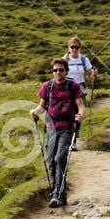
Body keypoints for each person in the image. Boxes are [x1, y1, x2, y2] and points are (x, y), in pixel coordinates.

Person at [32, 58, 86, 208]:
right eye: (55, 70)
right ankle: (55, 192)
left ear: (66, 71)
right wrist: (35, 112)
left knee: (60, 157)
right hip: (50, 128)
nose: (58, 73)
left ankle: (60, 195)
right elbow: (41, 107)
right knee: (51, 161)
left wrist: (80, 115)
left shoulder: (73, 86)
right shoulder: (47, 86)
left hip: (67, 128)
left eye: (61, 70)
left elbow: (80, 106)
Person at [63, 39, 96, 151]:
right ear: (68, 48)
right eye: (72, 47)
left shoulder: (84, 59)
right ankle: (65, 139)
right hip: (67, 90)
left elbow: (90, 71)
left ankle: (73, 141)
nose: (74, 49)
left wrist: (93, 73)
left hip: (79, 90)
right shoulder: (65, 60)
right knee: (67, 115)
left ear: (79, 48)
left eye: (77, 47)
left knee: (78, 115)